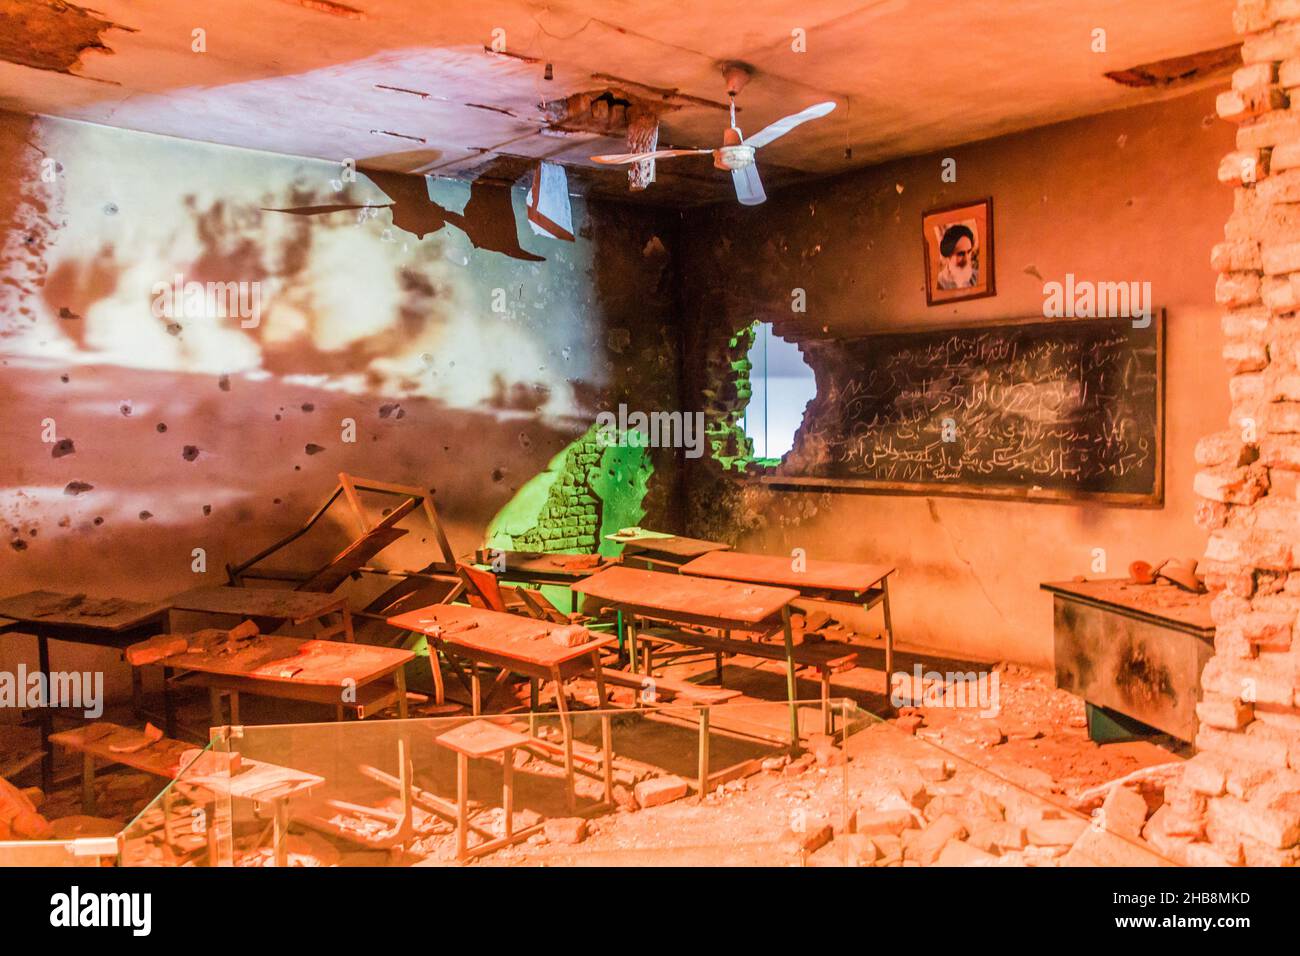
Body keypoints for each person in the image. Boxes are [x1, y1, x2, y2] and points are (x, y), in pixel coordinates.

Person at [936, 223, 979, 289]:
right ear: (948, 255)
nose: (966, 259)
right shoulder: (939, 284)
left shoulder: (977, 276)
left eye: (969, 252)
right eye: (960, 254)